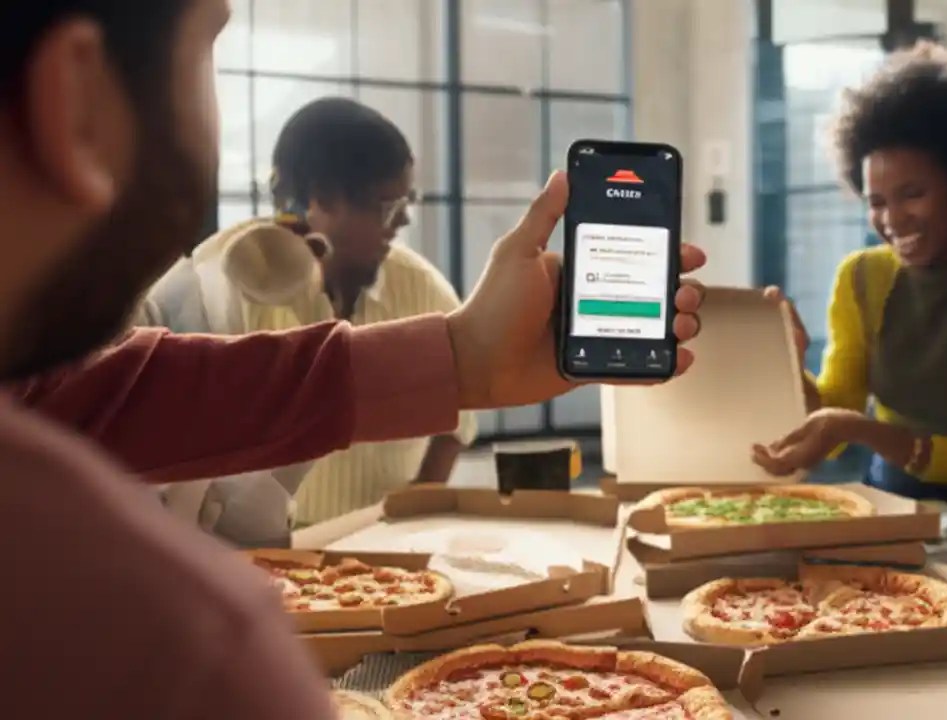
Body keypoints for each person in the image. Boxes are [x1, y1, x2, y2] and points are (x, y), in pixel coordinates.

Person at [0, 2, 705, 718]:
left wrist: (461, 358)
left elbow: (108, 395)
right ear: (76, 98)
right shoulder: (186, 657)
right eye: (207, 49)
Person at [751, 42, 947, 518]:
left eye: (913, 194)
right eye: (877, 201)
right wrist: (789, 363)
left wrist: (857, 428)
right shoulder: (861, 277)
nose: (892, 219)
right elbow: (832, 429)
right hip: (888, 501)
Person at [142, 97, 478, 545]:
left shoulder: (423, 288)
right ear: (320, 199)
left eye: (406, 204)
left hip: (385, 546)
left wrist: (413, 516)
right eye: (386, 207)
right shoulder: (218, 285)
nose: (402, 222)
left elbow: (458, 424)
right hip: (263, 555)